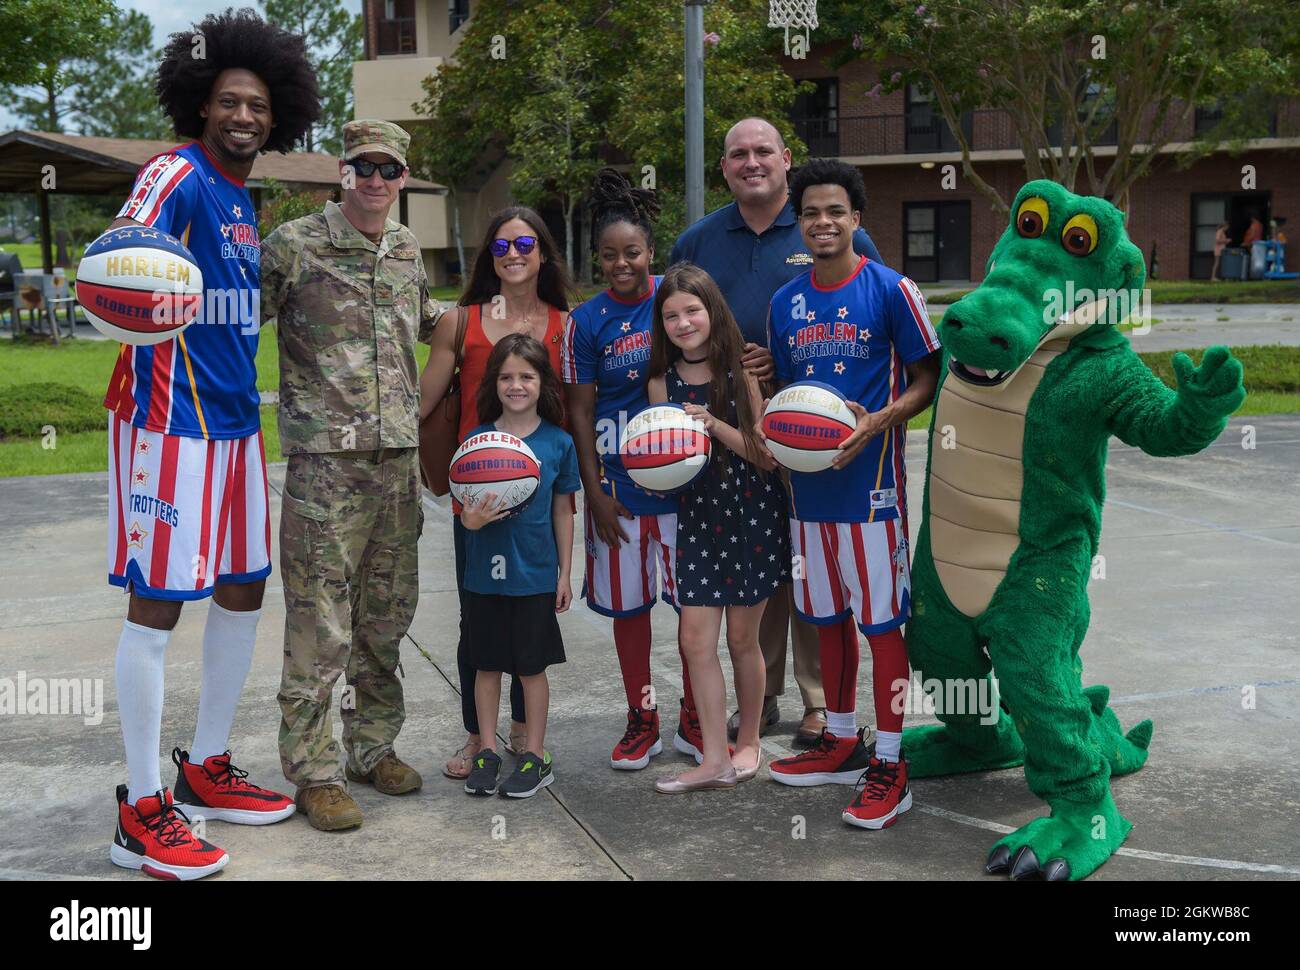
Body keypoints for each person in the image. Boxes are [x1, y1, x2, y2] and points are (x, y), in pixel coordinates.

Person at [102, 9, 320, 879]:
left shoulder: (239, 197)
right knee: (158, 602)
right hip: (167, 422)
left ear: (278, 118)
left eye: (259, 106)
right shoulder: (175, 173)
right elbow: (121, 246)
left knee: (241, 587)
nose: (244, 116)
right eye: (230, 101)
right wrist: (121, 263)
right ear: (201, 105)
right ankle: (141, 809)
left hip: (234, 425)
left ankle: (205, 767)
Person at [670, 117, 884, 749]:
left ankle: (818, 703)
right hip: (737, 436)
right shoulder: (700, 240)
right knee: (755, 565)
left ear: (787, 159)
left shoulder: (827, 225)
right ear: (725, 167)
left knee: (811, 567)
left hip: (816, 431)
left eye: (764, 151)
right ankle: (758, 700)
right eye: (738, 154)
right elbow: (678, 319)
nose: (752, 162)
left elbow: (872, 316)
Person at [260, 120, 436, 831]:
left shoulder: (405, 248)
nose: (374, 179)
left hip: (396, 466)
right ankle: (316, 771)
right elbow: (236, 323)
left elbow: (423, 324)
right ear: (342, 171)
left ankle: (372, 748)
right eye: (362, 166)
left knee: (386, 617)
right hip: (325, 469)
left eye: (387, 168)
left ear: (401, 178)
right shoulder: (295, 245)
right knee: (319, 623)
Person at [761, 159, 940, 830]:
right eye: (811, 213)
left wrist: (878, 421)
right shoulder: (785, 304)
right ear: (798, 222)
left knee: (881, 625)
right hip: (808, 497)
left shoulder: (893, 289)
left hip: (872, 494)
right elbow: (789, 398)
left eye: (836, 211)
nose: (823, 222)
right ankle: (840, 738)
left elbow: (928, 379)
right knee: (826, 617)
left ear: (856, 220)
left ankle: (891, 762)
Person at [419, 207, 576, 780]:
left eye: (526, 243)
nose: (514, 254)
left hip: (538, 497)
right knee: (478, 620)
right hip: (477, 500)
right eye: (502, 245)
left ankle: (521, 733)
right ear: (489, 254)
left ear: (543, 252)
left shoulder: (566, 323)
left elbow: (577, 407)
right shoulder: (459, 322)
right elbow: (425, 401)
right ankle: (475, 735)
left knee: (528, 621)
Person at [562, 169, 699, 770]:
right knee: (631, 613)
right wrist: (593, 492)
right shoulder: (586, 321)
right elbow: (579, 410)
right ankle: (641, 715)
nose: (623, 264)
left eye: (633, 252)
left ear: (652, 252)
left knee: (694, 608)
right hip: (617, 491)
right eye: (610, 255)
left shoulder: (678, 297)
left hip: (682, 485)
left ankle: (697, 710)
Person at [646, 264, 790, 792]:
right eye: (671, 316)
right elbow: (664, 460)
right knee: (694, 641)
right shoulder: (660, 381)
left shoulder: (741, 372)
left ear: (712, 311)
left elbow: (766, 455)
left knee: (741, 639)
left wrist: (712, 424)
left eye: (692, 311)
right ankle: (714, 758)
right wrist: (653, 467)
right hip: (699, 517)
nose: (683, 323)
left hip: (751, 511)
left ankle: (749, 740)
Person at [459, 334, 579, 798]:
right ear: (494, 382)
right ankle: (487, 750)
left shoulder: (558, 442)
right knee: (486, 666)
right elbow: (465, 511)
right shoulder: (478, 441)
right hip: (483, 576)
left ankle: (536, 754)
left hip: (534, 575)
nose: (516, 385)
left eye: (526, 376)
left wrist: (565, 573)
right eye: (506, 376)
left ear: (542, 382)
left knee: (531, 668)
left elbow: (562, 511)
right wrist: (472, 519)